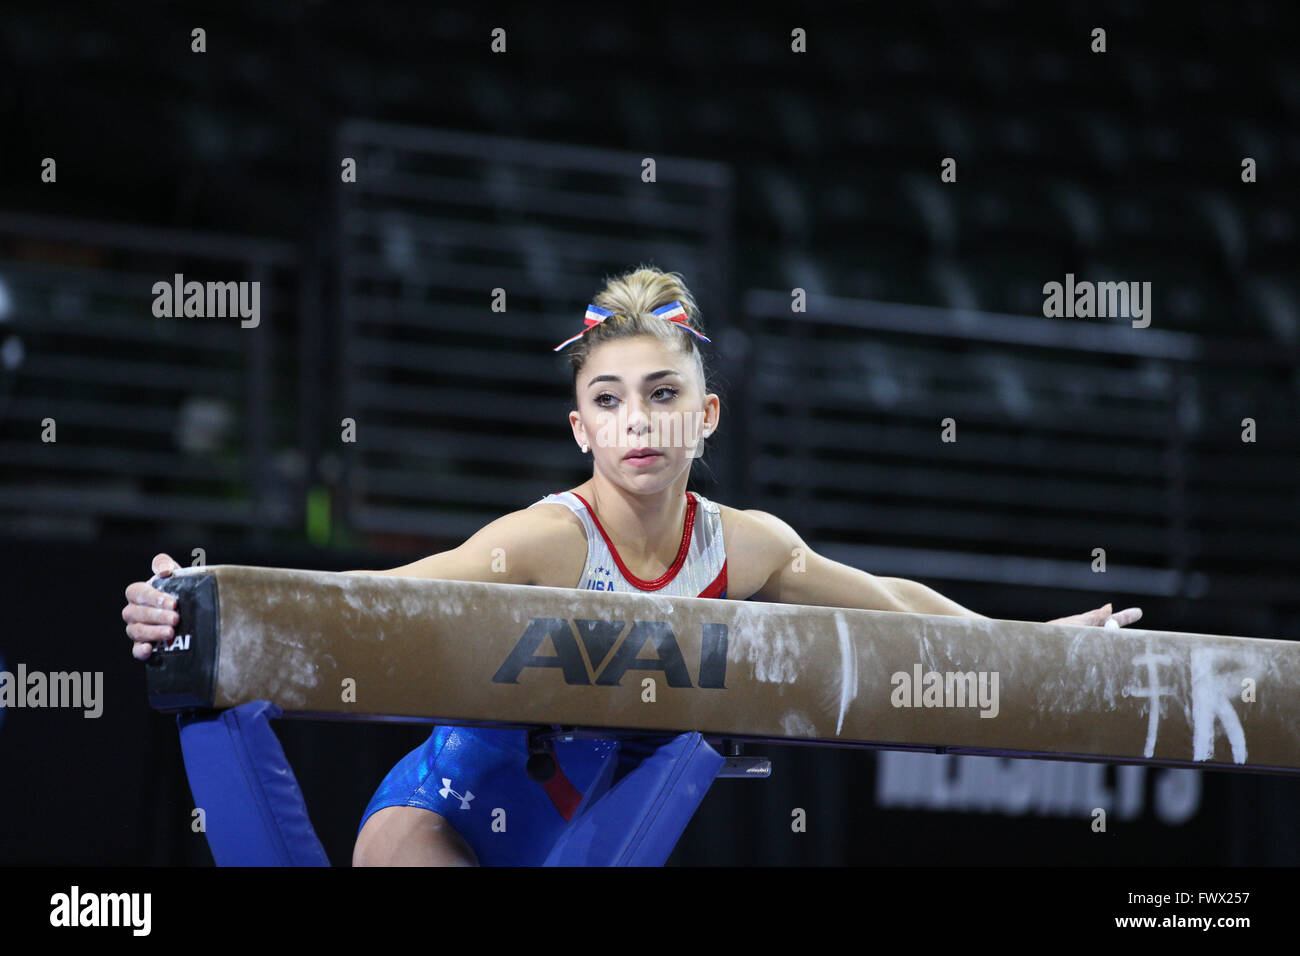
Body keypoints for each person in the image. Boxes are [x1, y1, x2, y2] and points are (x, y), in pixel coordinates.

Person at [122, 264, 1142, 866]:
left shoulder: (742, 544)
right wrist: (210, 606)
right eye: (608, 400)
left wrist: (1026, 647)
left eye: (662, 395)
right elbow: (376, 601)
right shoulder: (549, 540)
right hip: (435, 826)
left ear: (706, 415)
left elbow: (889, 605)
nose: (637, 421)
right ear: (581, 429)